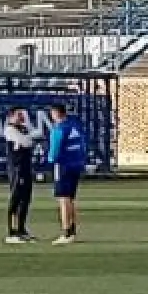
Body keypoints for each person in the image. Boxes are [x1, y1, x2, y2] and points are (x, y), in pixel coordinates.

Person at [45, 103, 88, 245]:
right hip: (76, 165)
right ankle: (73, 230)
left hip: (63, 166)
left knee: (63, 199)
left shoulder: (59, 129)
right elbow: (82, 146)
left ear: (56, 114)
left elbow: (54, 152)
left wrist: (50, 161)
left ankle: (66, 231)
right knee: (71, 199)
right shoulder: (74, 126)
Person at [2, 107, 39, 243]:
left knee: (25, 199)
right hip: (17, 168)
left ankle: (21, 229)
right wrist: (29, 138)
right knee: (16, 198)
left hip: (26, 167)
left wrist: (29, 134)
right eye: (19, 115)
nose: (22, 117)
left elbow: (37, 134)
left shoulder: (23, 129)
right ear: (11, 117)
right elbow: (26, 141)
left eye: (23, 115)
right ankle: (12, 232)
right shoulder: (9, 129)